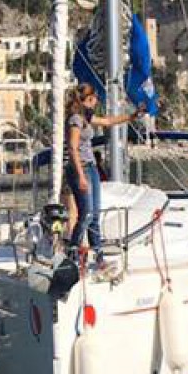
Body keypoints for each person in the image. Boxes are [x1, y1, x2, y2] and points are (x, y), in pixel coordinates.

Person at [65, 83, 142, 270]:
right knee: (85, 214)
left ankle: (98, 257)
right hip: (80, 169)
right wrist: (81, 176)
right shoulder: (75, 120)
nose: (96, 101)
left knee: (95, 214)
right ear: (86, 100)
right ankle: (73, 252)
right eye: (94, 98)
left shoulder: (87, 116)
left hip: (91, 167)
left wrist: (131, 117)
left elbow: (108, 122)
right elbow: (73, 148)